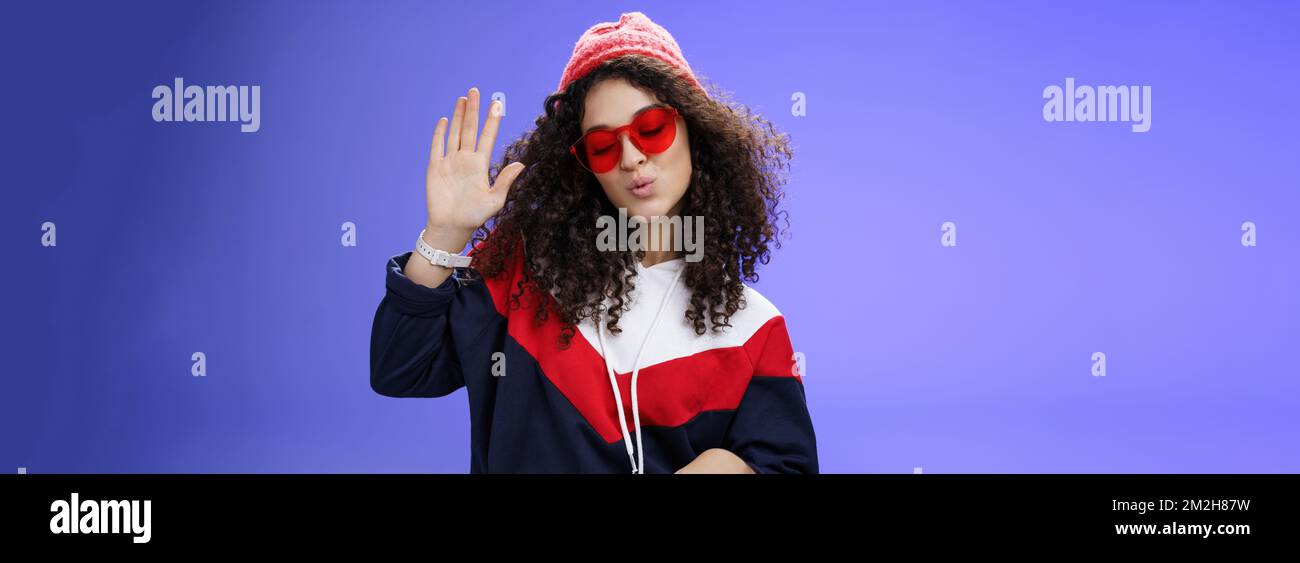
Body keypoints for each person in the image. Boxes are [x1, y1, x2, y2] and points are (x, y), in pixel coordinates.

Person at [370, 11, 817, 474]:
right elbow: (400, 369)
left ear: (695, 134)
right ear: (584, 167)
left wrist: (730, 468)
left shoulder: (752, 328)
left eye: (652, 129)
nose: (631, 157)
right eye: (602, 145)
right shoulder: (521, 280)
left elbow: (787, 465)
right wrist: (445, 234)